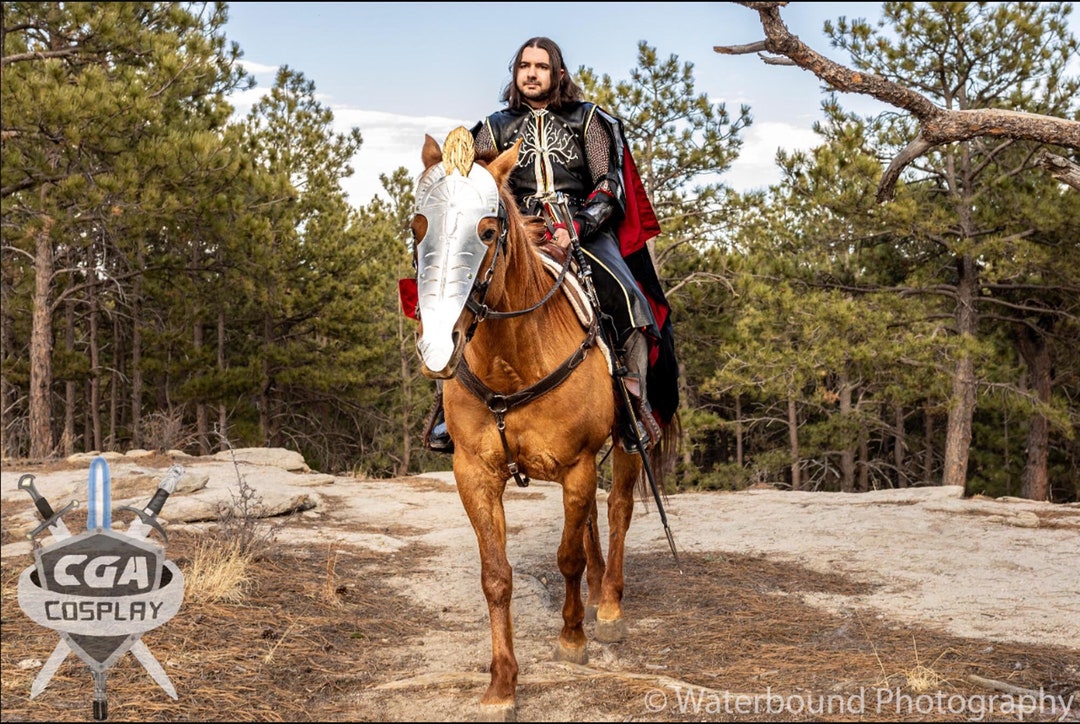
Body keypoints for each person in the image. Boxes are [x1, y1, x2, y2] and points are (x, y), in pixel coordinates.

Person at [425, 36, 679, 454]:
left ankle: (633, 407)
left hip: (583, 228)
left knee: (629, 299)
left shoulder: (588, 119)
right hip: (516, 229)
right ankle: (446, 410)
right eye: (524, 66)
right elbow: (471, 184)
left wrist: (577, 226)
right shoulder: (493, 127)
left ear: (558, 74)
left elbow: (608, 185)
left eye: (541, 67)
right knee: (461, 292)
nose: (531, 74)